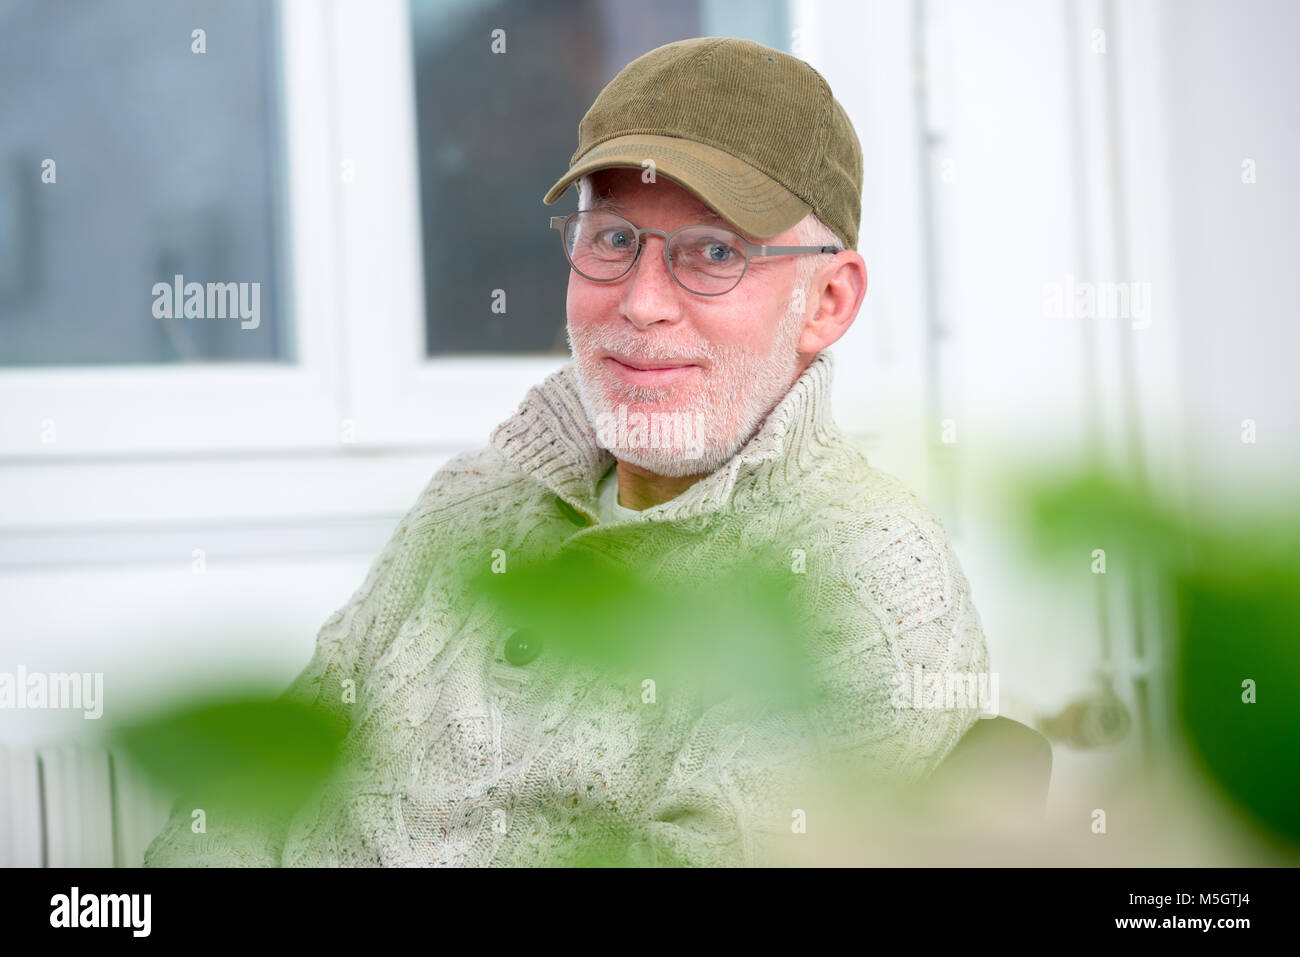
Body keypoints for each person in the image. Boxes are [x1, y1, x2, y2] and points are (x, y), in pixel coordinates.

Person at [144, 36, 990, 868]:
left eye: (716, 252)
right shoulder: (472, 498)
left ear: (828, 300)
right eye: (614, 240)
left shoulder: (871, 582)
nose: (643, 302)